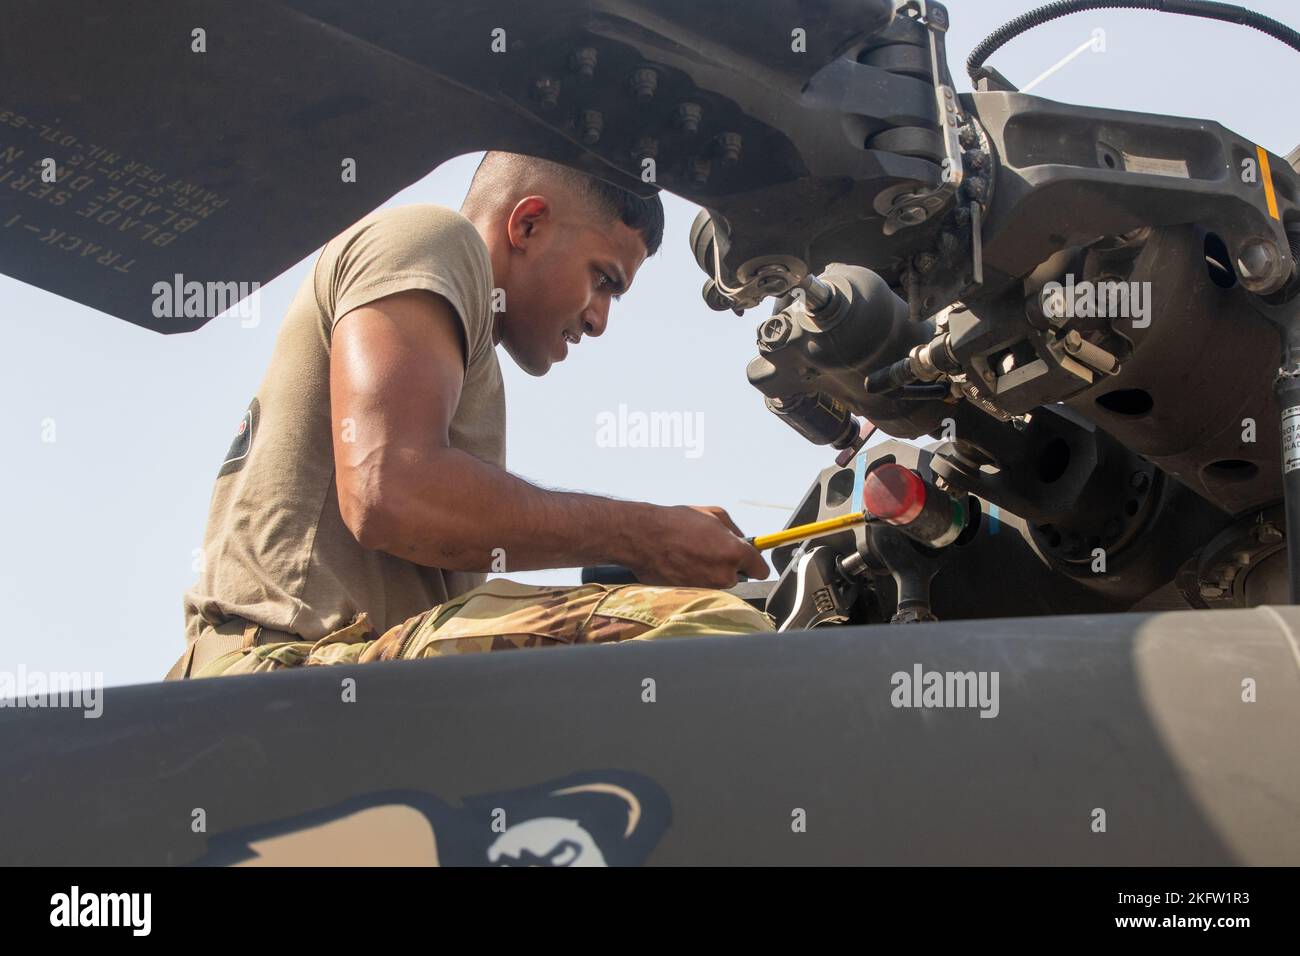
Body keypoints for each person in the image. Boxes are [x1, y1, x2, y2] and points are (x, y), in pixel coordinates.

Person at [170, 152, 772, 679]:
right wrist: (647, 535)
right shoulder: (431, 237)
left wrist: (649, 550)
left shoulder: (469, 358)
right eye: (602, 281)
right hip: (280, 671)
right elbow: (390, 492)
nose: (598, 319)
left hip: (340, 677)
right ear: (528, 223)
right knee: (710, 629)